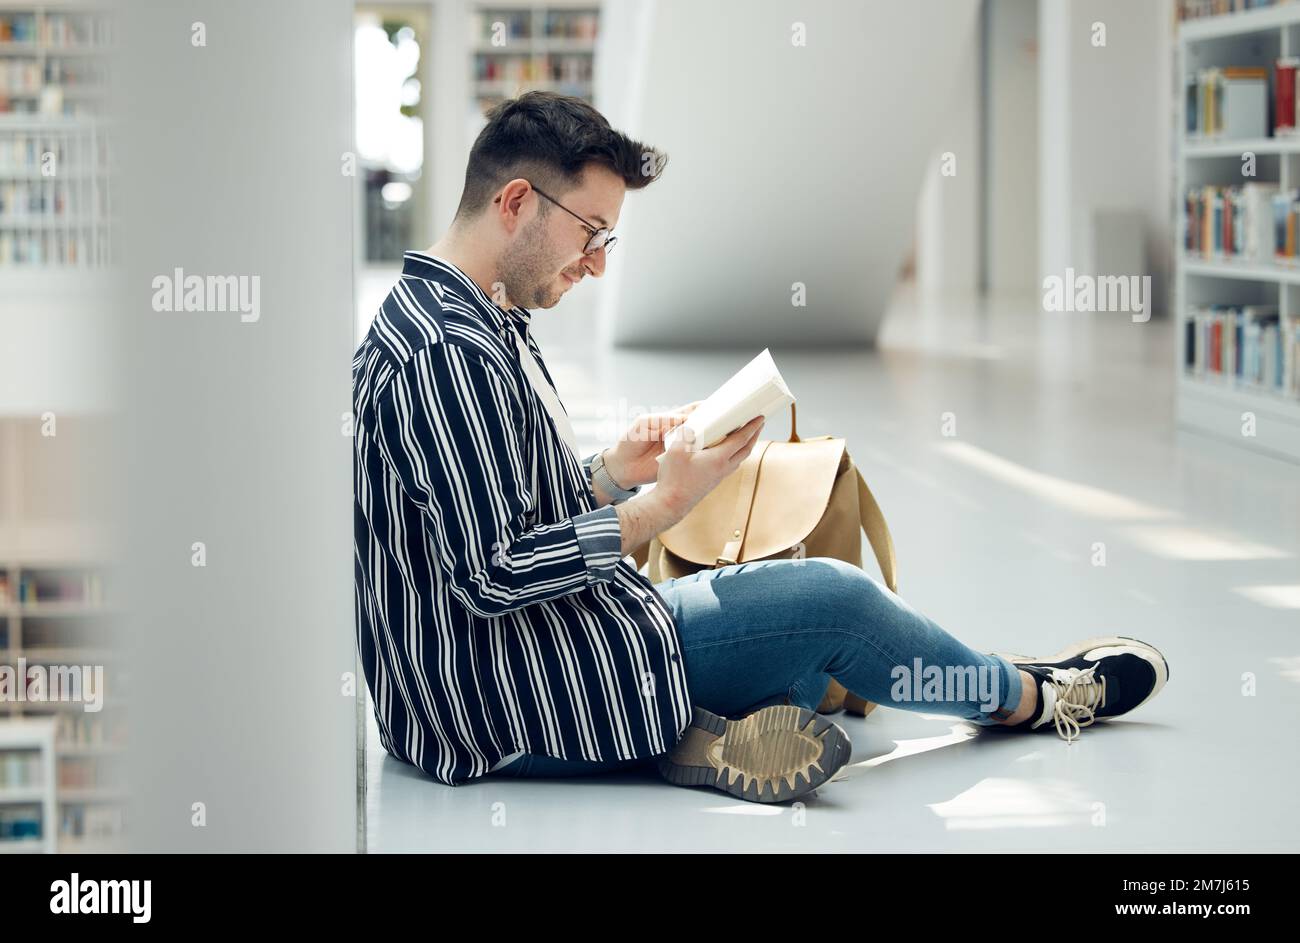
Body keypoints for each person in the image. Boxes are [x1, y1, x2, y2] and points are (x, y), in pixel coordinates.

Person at [351, 91, 1170, 804]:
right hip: (515, 696)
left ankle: (703, 734)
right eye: (591, 231)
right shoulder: (446, 352)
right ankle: (1038, 694)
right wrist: (663, 504)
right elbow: (495, 571)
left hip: (530, 659)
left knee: (814, 655)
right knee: (835, 605)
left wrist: (606, 475)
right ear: (517, 202)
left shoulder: (463, 318)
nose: (597, 263)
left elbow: (495, 514)